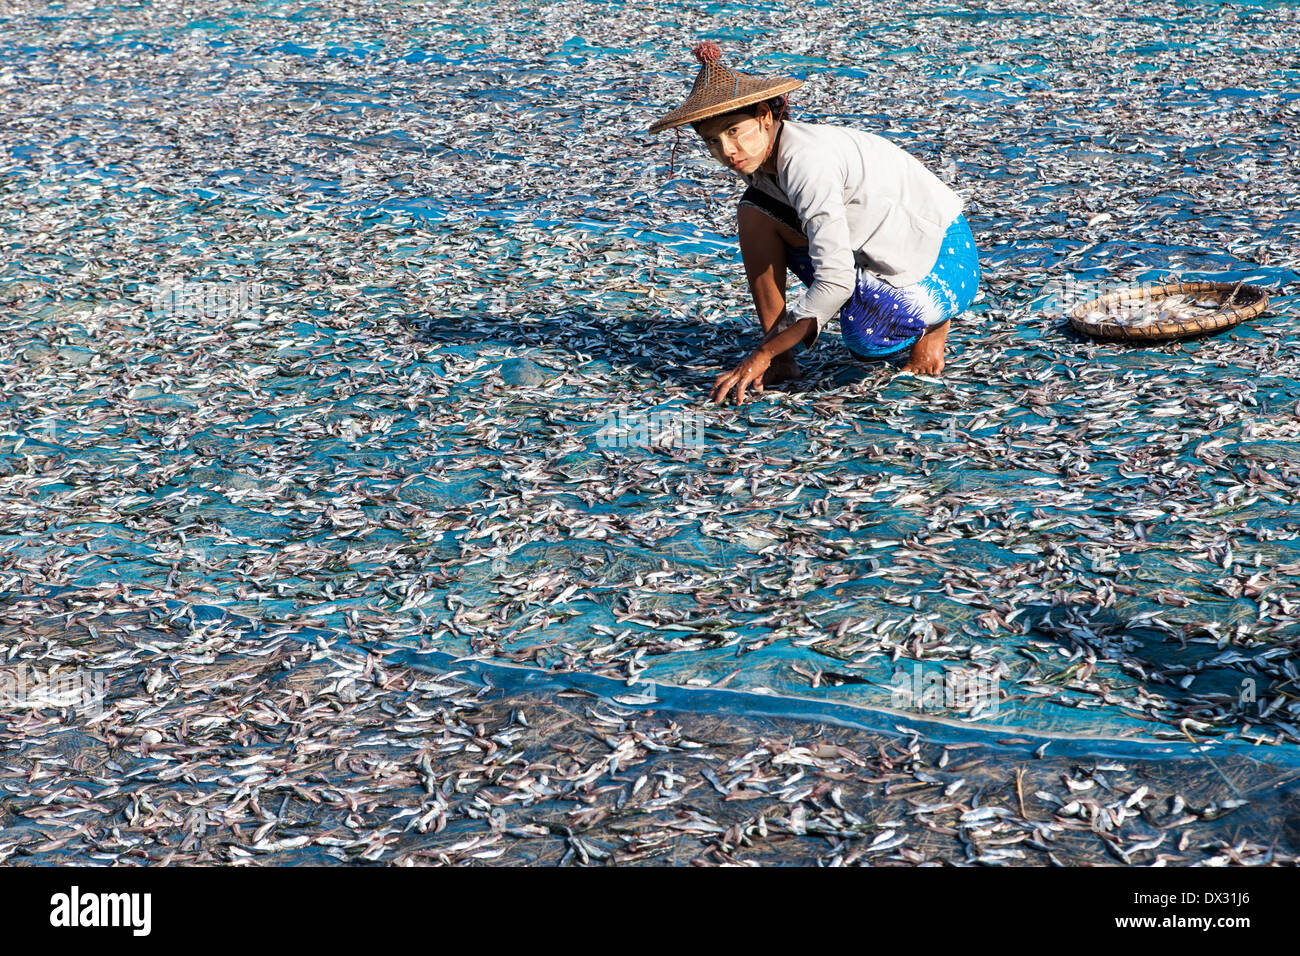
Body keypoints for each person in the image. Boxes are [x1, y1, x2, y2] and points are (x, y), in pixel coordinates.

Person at [648, 41, 982, 404]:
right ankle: (783, 359)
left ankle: (934, 323)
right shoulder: (763, 161)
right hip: (877, 246)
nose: (726, 151)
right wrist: (774, 349)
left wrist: (759, 357)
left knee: (867, 339)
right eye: (712, 141)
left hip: (941, 256)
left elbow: (835, 282)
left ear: (764, 116)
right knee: (754, 212)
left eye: (733, 131)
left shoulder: (806, 162)